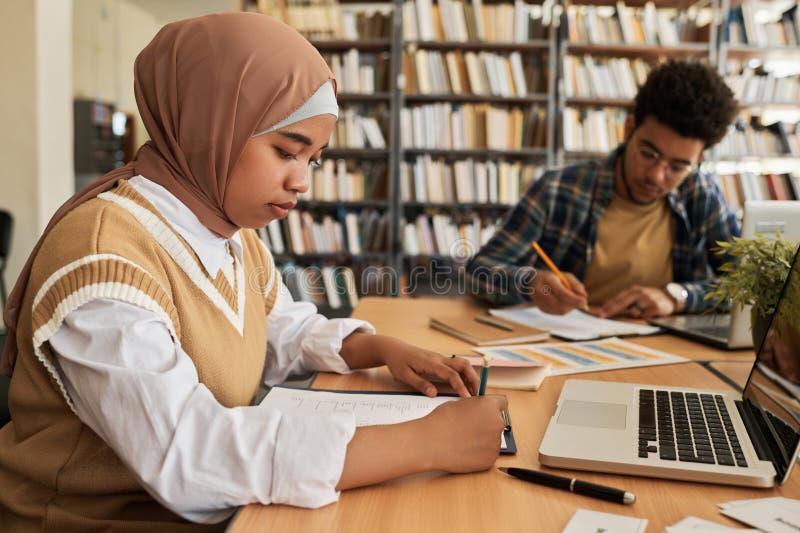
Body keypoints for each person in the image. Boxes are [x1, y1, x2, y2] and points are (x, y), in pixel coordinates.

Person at [0, 13, 507, 531]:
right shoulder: (102, 258)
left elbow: (276, 328)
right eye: (287, 151)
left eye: (314, 158)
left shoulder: (230, 233)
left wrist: (381, 350)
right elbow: (189, 455)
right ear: (210, 126)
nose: (302, 181)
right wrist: (424, 441)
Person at [467, 60, 740, 319]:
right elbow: (477, 272)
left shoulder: (701, 195)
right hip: (570, 346)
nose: (657, 176)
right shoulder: (560, 189)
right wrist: (531, 283)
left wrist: (677, 296)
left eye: (677, 167)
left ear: (699, 159)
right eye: (648, 154)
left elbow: (746, 284)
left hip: (667, 352)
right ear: (629, 129)